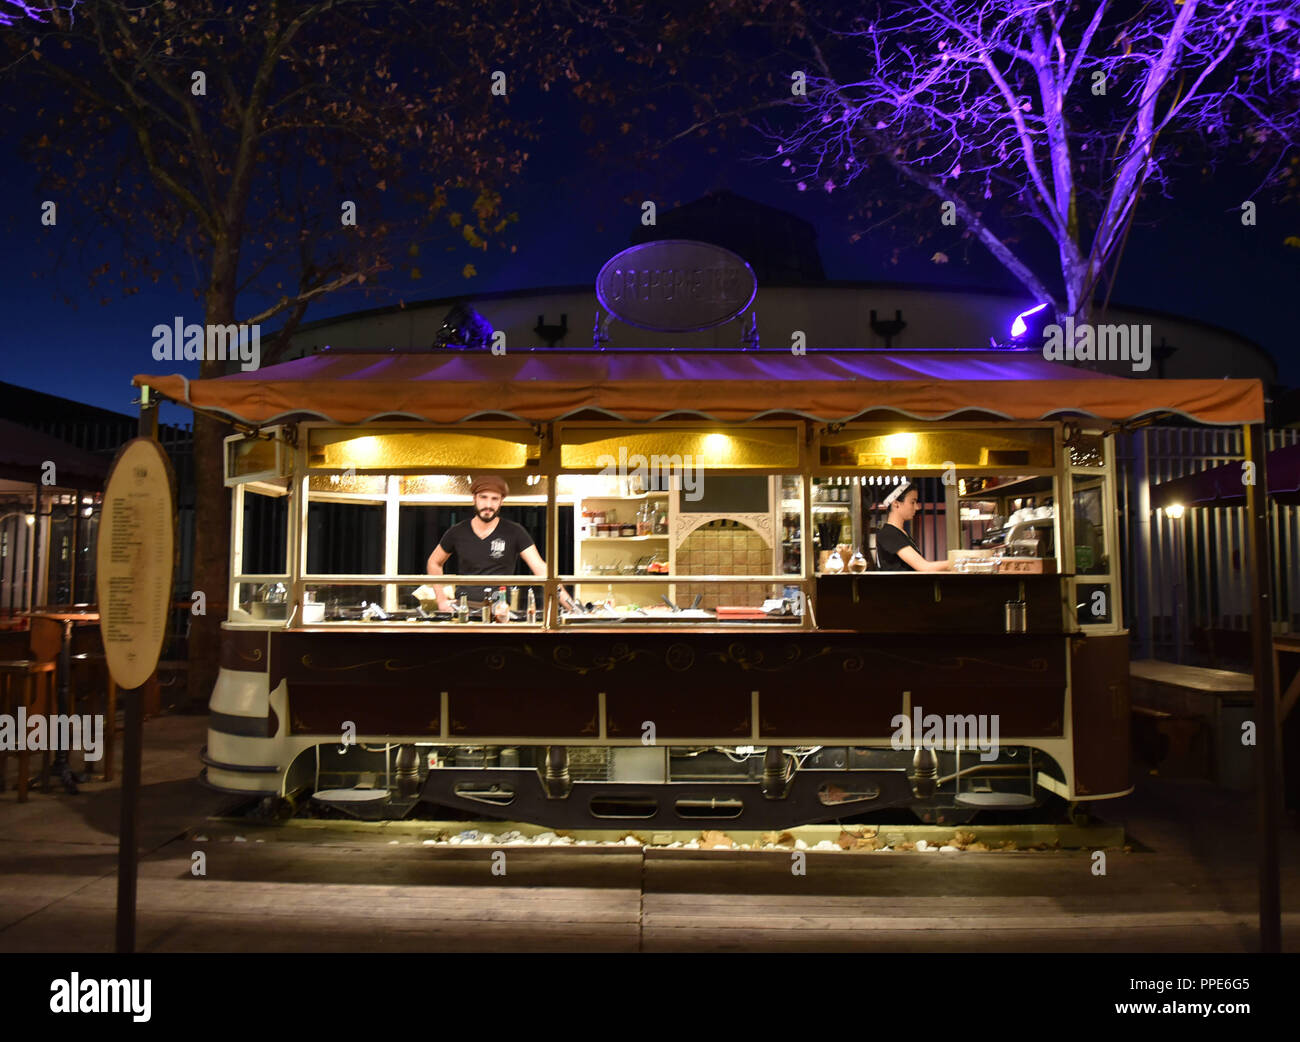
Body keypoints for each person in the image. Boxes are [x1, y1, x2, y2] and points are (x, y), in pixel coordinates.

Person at [426, 475, 575, 612]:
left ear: (501, 501)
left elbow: (541, 569)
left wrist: (572, 608)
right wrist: (441, 600)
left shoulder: (515, 531)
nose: (488, 504)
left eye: (494, 499)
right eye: (483, 497)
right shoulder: (457, 531)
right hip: (463, 609)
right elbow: (434, 562)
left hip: (499, 610)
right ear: (474, 499)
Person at [874, 479, 952, 572]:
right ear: (896, 503)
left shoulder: (899, 533)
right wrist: (957, 562)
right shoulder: (889, 533)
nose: (917, 507)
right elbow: (924, 567)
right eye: (912, 502)